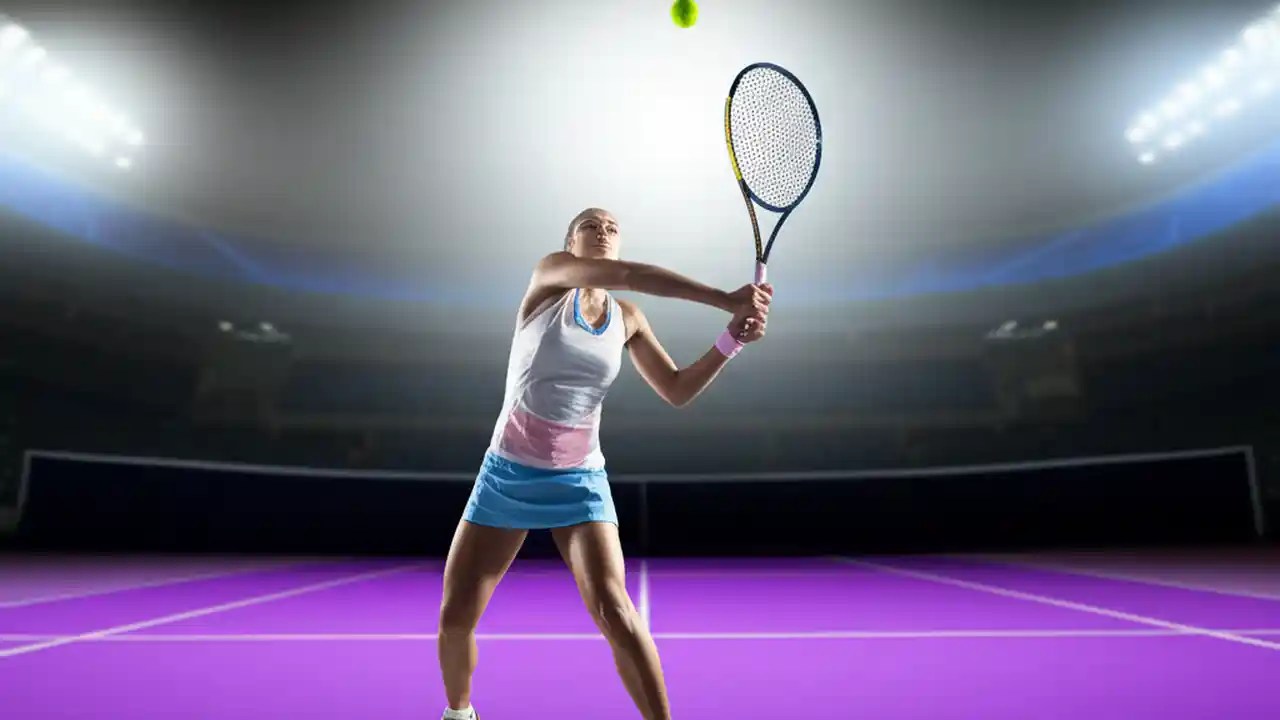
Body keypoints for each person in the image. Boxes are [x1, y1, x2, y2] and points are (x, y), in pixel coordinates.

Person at [437, 207, 772, 720]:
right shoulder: (549, 276)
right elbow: (632, 275)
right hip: (506, 473)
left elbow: (677, 389)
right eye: (590, 226)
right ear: (571, 245)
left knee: (616, 611)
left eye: (612, 227)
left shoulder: (628, 319)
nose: (603, 231)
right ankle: (459, 714)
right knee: (456, 617)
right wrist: (723, 299)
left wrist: (731, 340)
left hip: (580, 480)